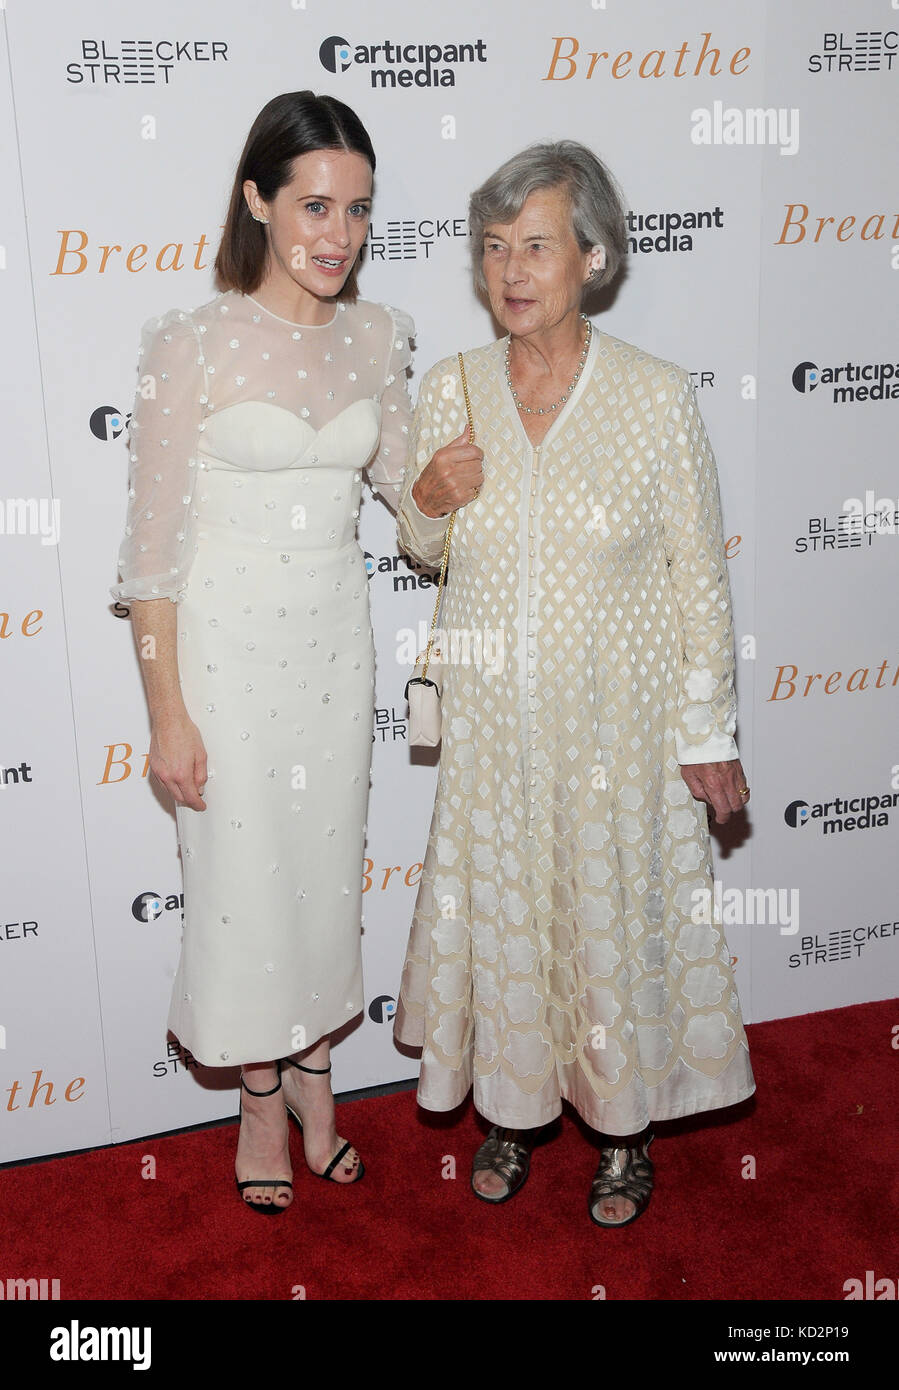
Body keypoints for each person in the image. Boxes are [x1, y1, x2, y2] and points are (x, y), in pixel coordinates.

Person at [393, 140, 755, 1227]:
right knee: (508, 925)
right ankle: (510, 1113)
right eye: (493, 246)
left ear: (591, 257)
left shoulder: (652, 397)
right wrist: (426, 489)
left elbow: (701, 581)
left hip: (618, 734)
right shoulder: (450, 389)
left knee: (608, 926)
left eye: (535, 244)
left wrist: (707, 731)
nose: (509, 268)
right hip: (497, 738)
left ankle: (622, 1134)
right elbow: (424, 547)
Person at [111, 91, 414, 1212]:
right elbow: (149, 556)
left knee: (325, 880)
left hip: (335, 652)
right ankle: (257, 1100)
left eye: (358, 210)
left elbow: (414, 508)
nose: (337, 234)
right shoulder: (186, 344)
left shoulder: (379, 336)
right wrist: (168, 716)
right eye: (315, 204)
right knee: (242, 889)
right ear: (257, 199)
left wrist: (453, 487)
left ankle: (320, 1081)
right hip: (226, 664)